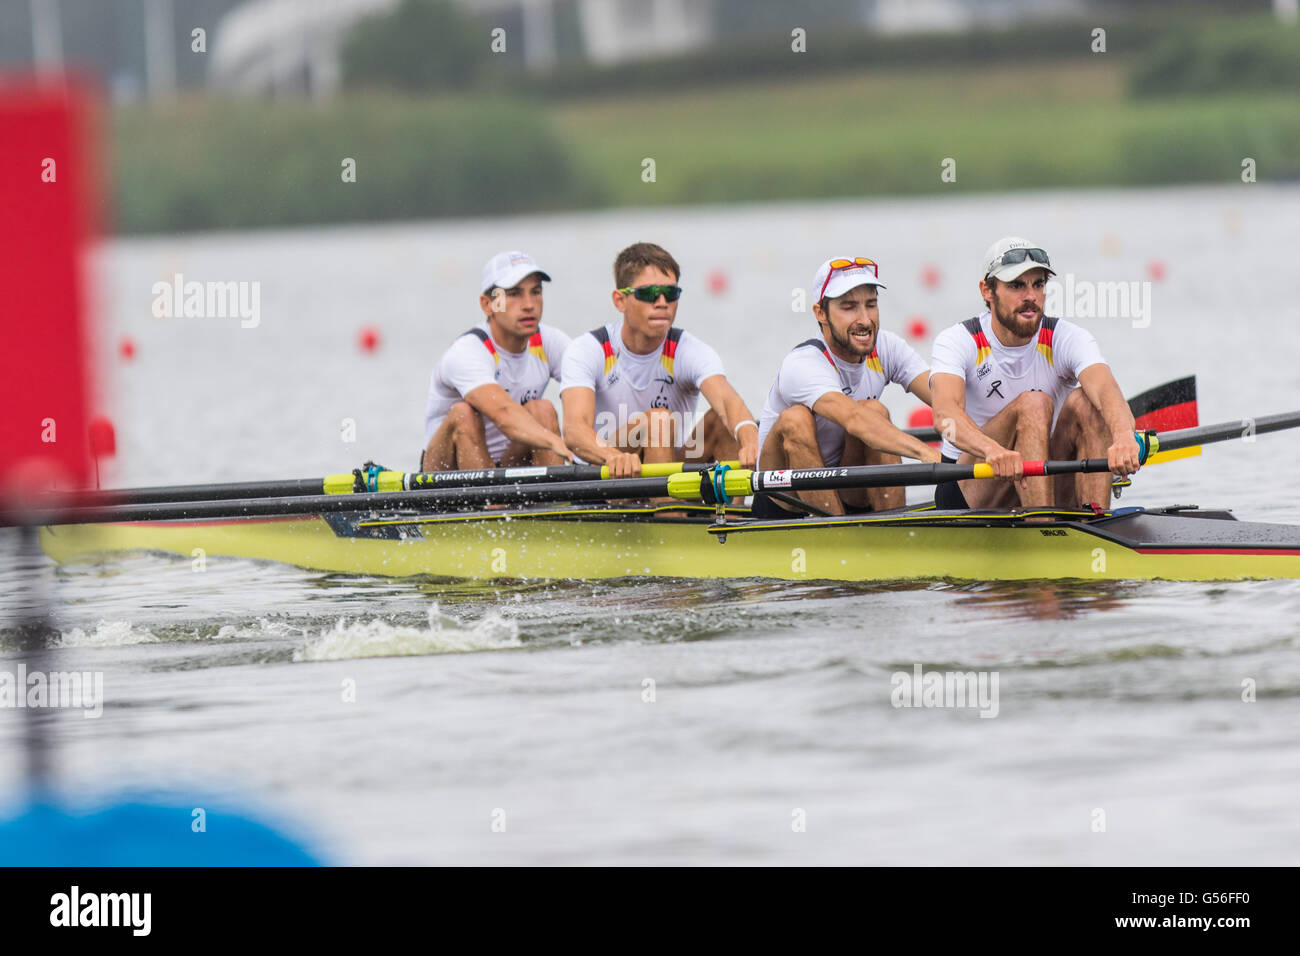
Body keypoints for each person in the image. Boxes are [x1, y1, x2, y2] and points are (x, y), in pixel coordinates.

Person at [928, 237, 1141, 510]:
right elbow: (945, 416)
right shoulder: (958, 340)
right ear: (987, 291)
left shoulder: (1067, 337)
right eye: (1016, 285)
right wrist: (992, 450)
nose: (1030, 296)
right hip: (970, 487)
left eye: (1038, 284)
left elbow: (1105, 390)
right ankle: (1044, 526)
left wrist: (1123, 437)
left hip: (1039, 477)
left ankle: (1094, 520)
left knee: (1087, 402)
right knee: (1034, 404)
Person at [754, 256, 939, 517]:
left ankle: (897, 529)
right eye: (849, 307)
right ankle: (837, 532)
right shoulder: (803, 363)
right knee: (797, 419)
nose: (864, 319)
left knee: (874, 411)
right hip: (785, 499)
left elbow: (946, 400)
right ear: (820, 313)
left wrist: (985, 444)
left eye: (871, 304)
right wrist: (925, 453)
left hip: (846, 487)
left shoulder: (887, 347)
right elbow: (854, 420)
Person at [560, 242, 758, 477]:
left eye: (671, 293)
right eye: (649, 293)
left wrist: (750, 440)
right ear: (620, 300)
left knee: (724, 422)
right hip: (605, 470)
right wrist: (613, 456)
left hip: (669, 462)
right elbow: (574, 430)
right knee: (658, 421)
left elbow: (727, 402)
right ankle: (666, 501)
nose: (662, 302)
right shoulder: (588, 349)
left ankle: (735, 502)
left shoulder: (691, 350)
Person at [421, 251, 575, 471]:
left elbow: (597, 388)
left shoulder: (551, 341)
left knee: (543, 410)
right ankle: (488, 496)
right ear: (488, 305)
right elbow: (503, 414)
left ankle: (556, 492)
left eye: (535, 292)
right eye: (514, 294)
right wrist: (556, 442)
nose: (529, 304)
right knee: (464, 414)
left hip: (507, 463)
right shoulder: (468, 351)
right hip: (446, 470)